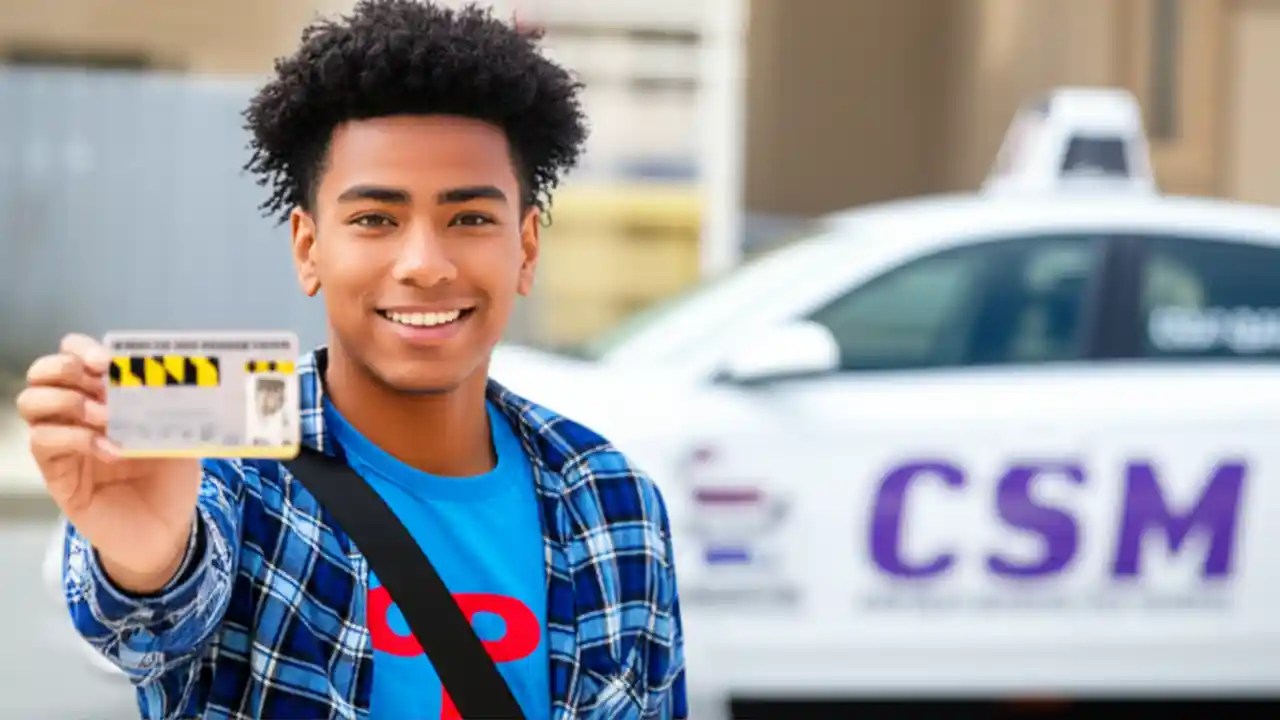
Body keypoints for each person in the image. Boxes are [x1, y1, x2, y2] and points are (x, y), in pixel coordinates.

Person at [15, 1, 687, 717]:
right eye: (375, 220)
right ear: (309, 249)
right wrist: (147, 566)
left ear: (525, 248)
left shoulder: (614, 501)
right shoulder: (228, 460)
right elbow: (152, 621)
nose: (425, 265)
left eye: (469, 219)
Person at [246, 375, 291, 446]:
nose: (266, 396)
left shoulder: (285, 426)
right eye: (262, 391)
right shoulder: (250, 420)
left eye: (274, 391)